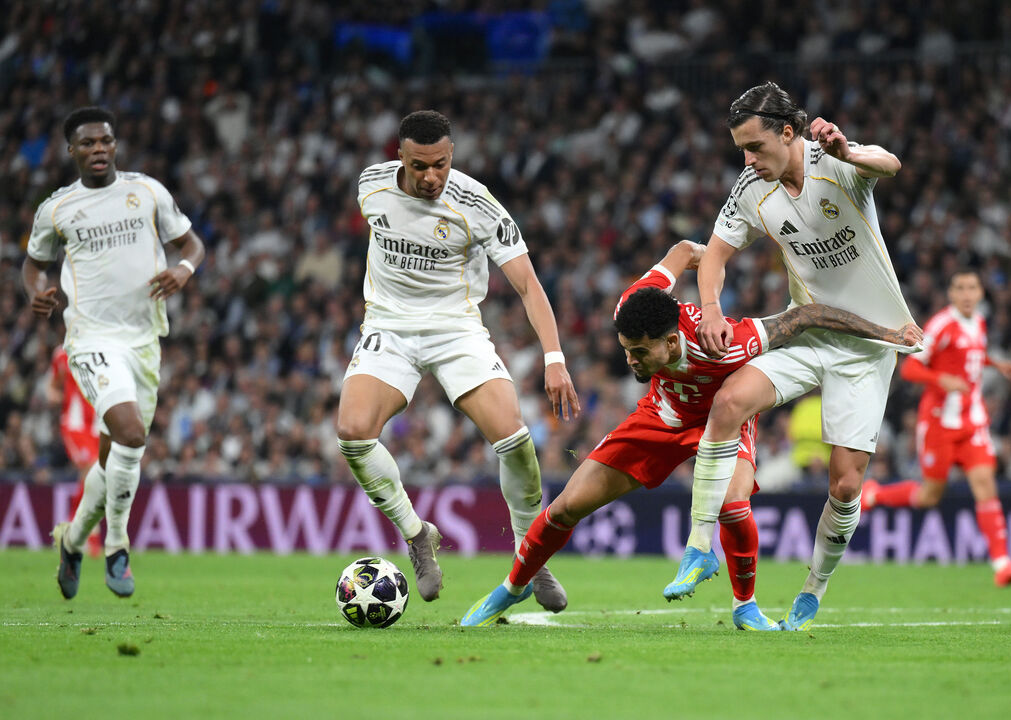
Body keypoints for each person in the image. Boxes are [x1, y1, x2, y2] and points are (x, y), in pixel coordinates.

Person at [459, 240, 922, 629]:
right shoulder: (633, 304)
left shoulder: (726, 341)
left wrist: (885, 333)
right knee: (565, 506)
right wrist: (708, 255)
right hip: (661, 415)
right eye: (626, 352)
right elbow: (680, 251)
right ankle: (513, 587)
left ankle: (745, 606)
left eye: (640, 353)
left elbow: (808, 315)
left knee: (732, 504)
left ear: (673, 342)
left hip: (724, 418)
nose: (631, 362)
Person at [670, 82, 922, 632]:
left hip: (871, 345)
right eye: (740, 148)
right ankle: (697, 545)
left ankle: (814, 586)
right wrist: (710, 309)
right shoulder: (750, 188)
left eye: (755, 147)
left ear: (789, 133)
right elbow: (713, 255)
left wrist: (851, 151)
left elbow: (891, 163)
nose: (747, 159)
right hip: (806, 331)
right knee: (730, 400)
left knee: (846, 486)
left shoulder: (837, 163)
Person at [337, 110, 580, 610]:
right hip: (391, 326)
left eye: (441, 164)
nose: (431, 177)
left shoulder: (478, 205)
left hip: (456, 329)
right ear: (399, 156)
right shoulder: (371, 186)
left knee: (514, 437)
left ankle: (529, 553)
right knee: (353, 432)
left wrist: (553, 357)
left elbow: (529, 285)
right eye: (420, 165)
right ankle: (416, 533)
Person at [26, 106, 206, 599]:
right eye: (87, 144)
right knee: (128, 432)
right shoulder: (57, 209)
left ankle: (73, 540)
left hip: (145, 339)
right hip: (91, 339)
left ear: (115, 144)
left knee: (115, 460)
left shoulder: (146, 192)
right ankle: (118, 546)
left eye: (105, 141)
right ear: (71, 151)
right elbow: (34, 264)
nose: (98, 150)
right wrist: (36, 291)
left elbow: (192, 244)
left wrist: (184, 270)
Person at [859, 270, 1011, 587]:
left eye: (973, 287)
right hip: (939, 422)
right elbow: (911, 366)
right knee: (929, 496)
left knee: (986, 485)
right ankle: (875, 494)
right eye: (960, 288)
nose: (967, 294)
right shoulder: (942, 324)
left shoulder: (978, 321)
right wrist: (940, 379)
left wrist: (997, 365)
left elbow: (971, 356)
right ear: (951, 294)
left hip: (971, 421)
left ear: (981, 293)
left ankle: (1002, 565)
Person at [50, 346, 102, 557]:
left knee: (96, 478)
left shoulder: (104, 351)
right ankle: (85, 532)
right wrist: (58, 399)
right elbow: (52, 387)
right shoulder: (62, 354)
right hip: (75, 425)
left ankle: (75, 532)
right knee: (92, 470)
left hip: (98, 427)